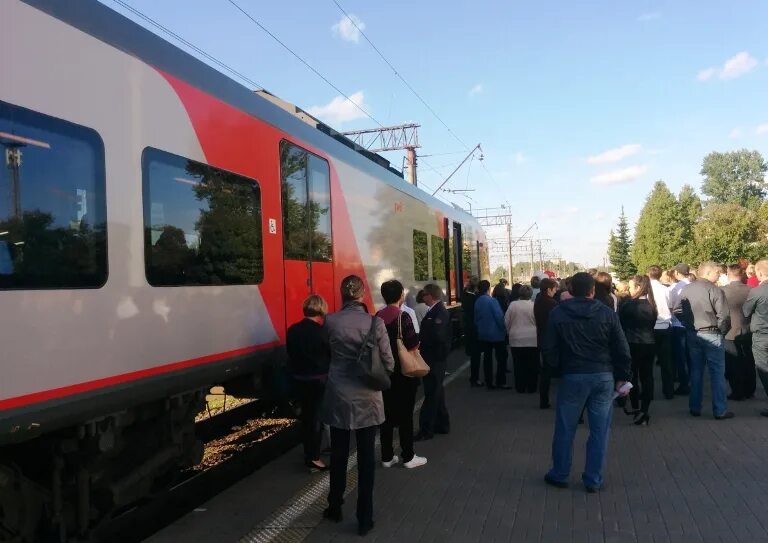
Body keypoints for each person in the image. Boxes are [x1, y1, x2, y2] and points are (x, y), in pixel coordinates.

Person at [542, 272, 632, 493]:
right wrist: (623, 376)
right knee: (600, 430)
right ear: (592, 290)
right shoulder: (607, 313)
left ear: (570, 290)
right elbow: (621, 347)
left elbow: (549, 347)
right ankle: (593, 478)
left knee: (565, 427)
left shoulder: (558, 313)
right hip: (603, 376)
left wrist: (557, 368)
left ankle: (560, 473)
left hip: (573, 375)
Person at [321, 275, 394, 535]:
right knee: (366, 459)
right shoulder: (375, 323)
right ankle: (365, 518)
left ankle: (334, 506)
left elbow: (326, 355)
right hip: (368, 399)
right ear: (362, 295)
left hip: (339, 396)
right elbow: (389, 362)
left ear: (342, 294)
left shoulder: (329, 321)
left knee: (338, 455)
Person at [375, 280, 427, 469]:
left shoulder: (377, 316)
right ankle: (408, 456)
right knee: (406, 415)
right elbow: (413, 343)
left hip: (383, 372)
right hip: (403, 372)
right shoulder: (403, 316)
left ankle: (387, 457)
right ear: (400, 296)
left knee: (386, 415)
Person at [673, 261, 733, 420]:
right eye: (717, 272)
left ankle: (695, 406)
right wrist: (721, 330)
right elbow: (724, 316)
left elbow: (677, 309)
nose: (719, 275)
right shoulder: (714, 290)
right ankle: (720, 410)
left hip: (694, 333)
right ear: (707, 273)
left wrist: (688, 323)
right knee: (717, 373)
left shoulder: (687, 288)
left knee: (696, 370)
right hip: (711, 333)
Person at [286, 295, 331, 471]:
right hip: (318, 381)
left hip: (298, 379)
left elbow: (290, 353)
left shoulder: (293, 330)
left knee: (306, 417)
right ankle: (314, 458)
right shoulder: (321, 332)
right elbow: (330, 356)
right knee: (316, 419)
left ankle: (309, 453)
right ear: (321, 310)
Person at [618, 275, 658, 425]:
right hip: (649, 343)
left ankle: (635, 407)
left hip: (631, 344)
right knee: (647, 377)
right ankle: (645, 410)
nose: (629, 289)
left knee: (632, 377)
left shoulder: (628, 305)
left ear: (637, 287)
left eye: (630, 286)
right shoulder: (651, 305)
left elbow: (621, 325)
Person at [416, 284, 451, 440]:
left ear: (431, 296)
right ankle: (442, 424)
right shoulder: (435, 311)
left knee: (431, 393)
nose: (423, 298)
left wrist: (422, 341)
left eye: (425, 295)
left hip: (434, 358)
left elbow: (438, 336)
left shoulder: (439, 313)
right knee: (437, 392)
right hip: (434, 357)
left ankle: (426, 429)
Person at [722, 264, 755, 401]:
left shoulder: (722, 291)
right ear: (741, 274)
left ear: (729, 274)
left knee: (733, 362)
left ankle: (737, 390)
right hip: (748, 329)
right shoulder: (751, 290)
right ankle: (749, 389)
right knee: (748, 360)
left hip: (730, 331)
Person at [743, 260, 768, 417]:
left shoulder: (757, 292)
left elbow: (746, 311)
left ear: (759, 273)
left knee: (763, 368)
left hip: (761, 334)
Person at [474, 279, 509, 390]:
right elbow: (499, 317)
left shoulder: (478, 301)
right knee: (501, 358)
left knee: (487, 358)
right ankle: (500, 381)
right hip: (496, 333)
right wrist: (504, 328)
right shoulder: (492, 301)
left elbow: (476, 318)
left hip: (483, 333)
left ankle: (488, 381)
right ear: (488, 288)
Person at [505, 285, 538, 393]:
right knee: (532, 365)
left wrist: (509, 331)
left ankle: (520, 386)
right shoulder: (534, 306)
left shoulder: (513, 305)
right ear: (531, 294)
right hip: (532, 339)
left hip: (516, 339)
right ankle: (532, 387)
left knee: (518, 364)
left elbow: (506, 321)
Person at [648, 265, 675, 399]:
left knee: (648, 362)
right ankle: (668, 390)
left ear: (648, 274)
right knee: (666, 361)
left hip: (650, 325)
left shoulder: (647, 289)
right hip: (664, 324)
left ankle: (648, 391)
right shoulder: (665, 289)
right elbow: (670, 306)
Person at [534, 278, 559, 408]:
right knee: (552, 370)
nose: (556, 291)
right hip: (552, 340)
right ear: (549, 289)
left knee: (546, 371)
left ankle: (543, 400)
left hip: (541, 338)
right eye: (554, 288)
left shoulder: (538, 301)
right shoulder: (552, 304)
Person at [668, 264, 692, 396]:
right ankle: (692, 381)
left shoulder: (675, 288)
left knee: (681, 358)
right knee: (691, 357)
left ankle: (684, 384)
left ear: (677, 273)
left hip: (678, 325)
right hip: (692, 325)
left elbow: (672, 307)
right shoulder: (693, 286)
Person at [461, 276, 483, 387]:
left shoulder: (464, 295)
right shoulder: (476, 298)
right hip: (475, 329)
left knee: (473, 354)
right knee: (476, 355)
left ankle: (474, 377)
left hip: (468, 329)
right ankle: (475, 378)